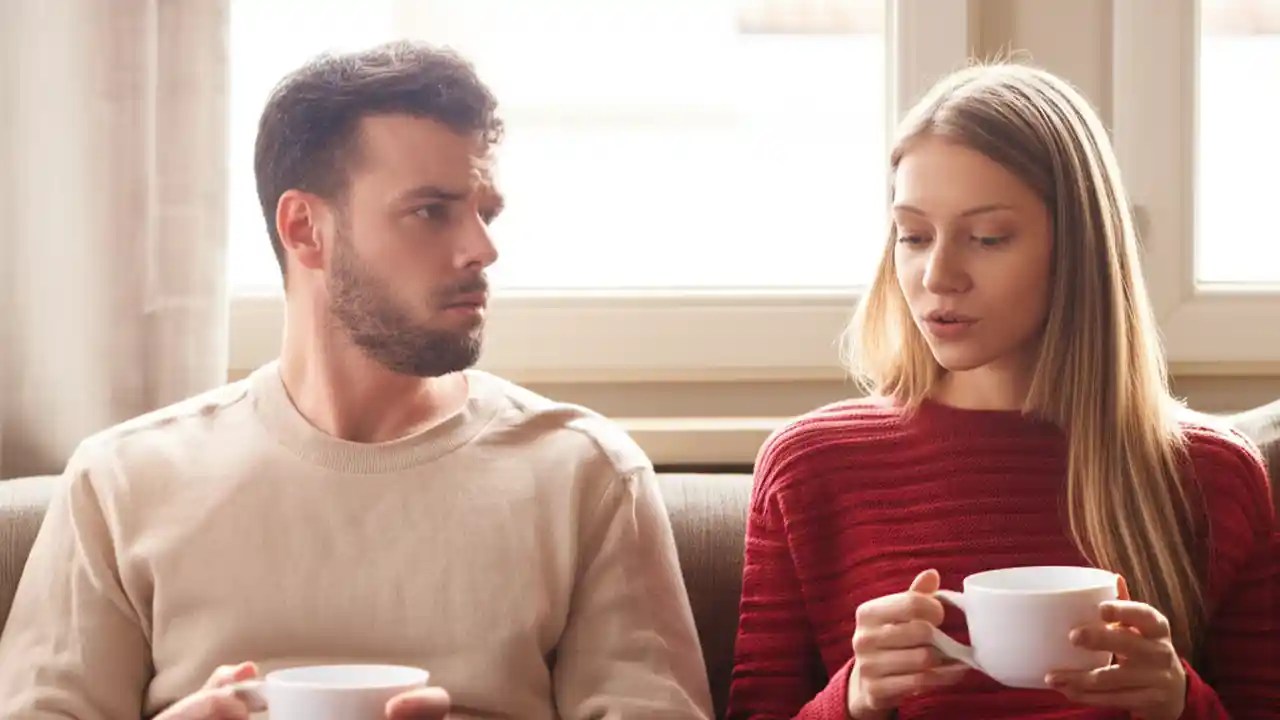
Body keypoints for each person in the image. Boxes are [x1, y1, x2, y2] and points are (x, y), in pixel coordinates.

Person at [0, 41, 713, 720]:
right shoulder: (121, 483)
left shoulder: (584, 473)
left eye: (483, 213)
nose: (482, 248)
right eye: (431, 212)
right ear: (305, 227)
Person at [726, 63, 1279, 720]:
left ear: (1077, 249)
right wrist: (852, 697)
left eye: (987, 238)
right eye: (913, 235)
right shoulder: (810, 466)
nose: (938, 275)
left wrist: (1183, 702)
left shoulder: (1212, 474)